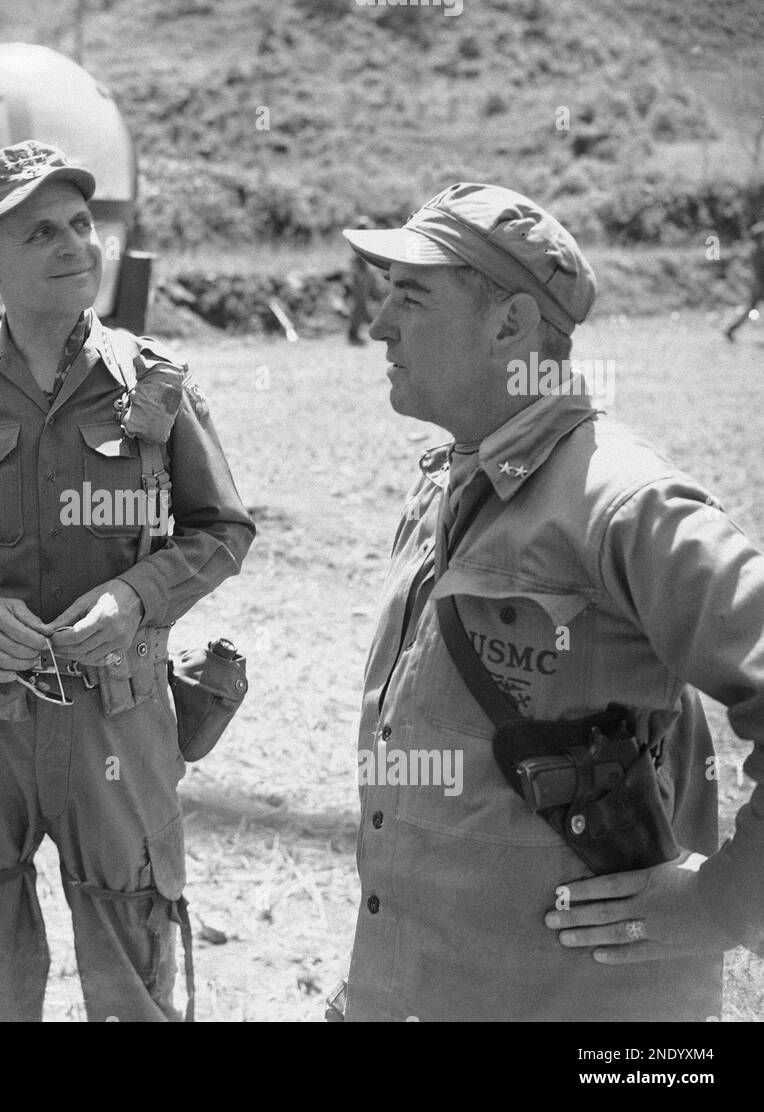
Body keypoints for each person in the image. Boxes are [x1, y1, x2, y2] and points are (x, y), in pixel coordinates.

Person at [339, 182, 764, 1021]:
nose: (381, 324)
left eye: (411, 296)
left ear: (512, 326)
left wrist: (727, 905)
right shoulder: (449, 487)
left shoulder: (622, 502)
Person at [0, 141, 254, 1021]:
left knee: (131, 954)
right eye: (42, 231)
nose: (75, 245)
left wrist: (136, 596)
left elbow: (223, 530)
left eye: (82, 224)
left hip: (115, 710)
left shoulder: (152, 390)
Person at [724, 219, 764, 342]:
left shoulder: (753, 250)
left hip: (756, 284)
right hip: (760, 284)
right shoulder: (759, 251)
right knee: (749, 309)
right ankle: (730, 329)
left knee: (749, 309)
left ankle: (731, 329)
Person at [346, 216, 377, 345]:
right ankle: (352, 334)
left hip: (364, 277)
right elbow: (356, 262)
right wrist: (360, 278)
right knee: (359, 307)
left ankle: (355, 333)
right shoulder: (358, 242)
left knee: (361, 307)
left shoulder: (364, 241)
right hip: (360, 278)